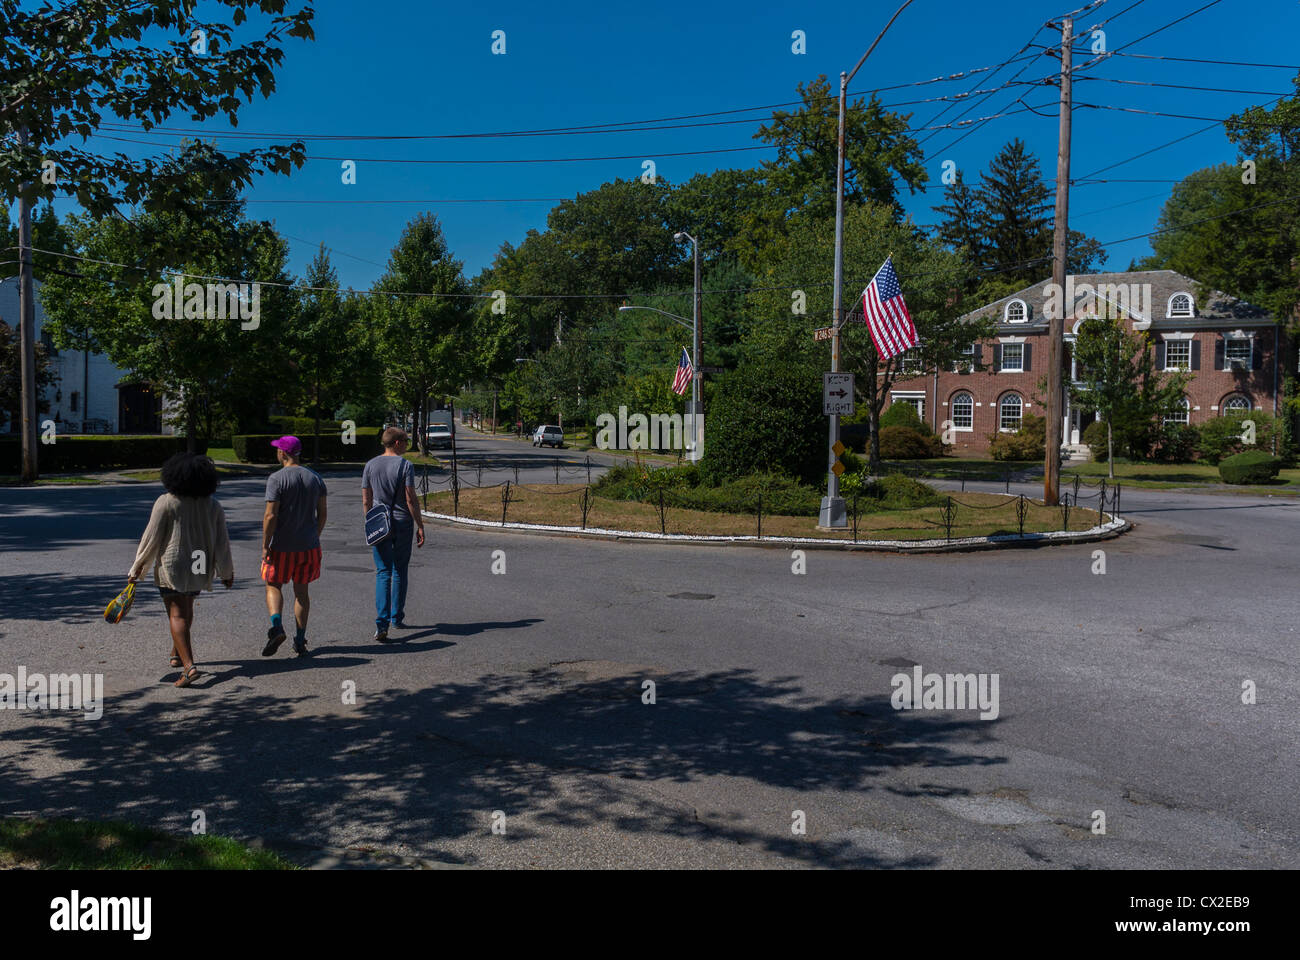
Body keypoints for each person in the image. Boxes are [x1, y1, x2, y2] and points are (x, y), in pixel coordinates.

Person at [127, 452, 234, 688]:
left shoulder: (167, 501)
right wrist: (227, 572)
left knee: (176, 613)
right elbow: (222, 541)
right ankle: (176, 653)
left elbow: (151, 539)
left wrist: (137, 568)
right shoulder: (213, 504)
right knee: (186, 607)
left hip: (174, 562)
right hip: (200, 561)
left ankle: (189, 667)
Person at [260, 436, 328, 657]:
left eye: (277, 450)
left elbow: (271, 515)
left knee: (273, 584)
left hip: (281, 546)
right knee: (302, 592)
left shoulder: (276, 479)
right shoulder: (315, 478)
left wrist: (265, 544)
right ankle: (300, 640)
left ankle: (277, 626)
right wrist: (314, 535)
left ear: (283, 453)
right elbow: (322, 514)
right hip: (308, 546)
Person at [361, 427, 424, 642]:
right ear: (397, 443)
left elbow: (366, 499)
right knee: (399, 570)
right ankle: (397, 616)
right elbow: (410, 499)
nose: (407, 444)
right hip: (402, 522)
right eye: (406, 441)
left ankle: (382, 623)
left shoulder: (370, 465)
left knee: (382, 571)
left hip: (379, 522)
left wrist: (369, 522)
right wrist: (420, 524)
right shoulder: (405, 466)